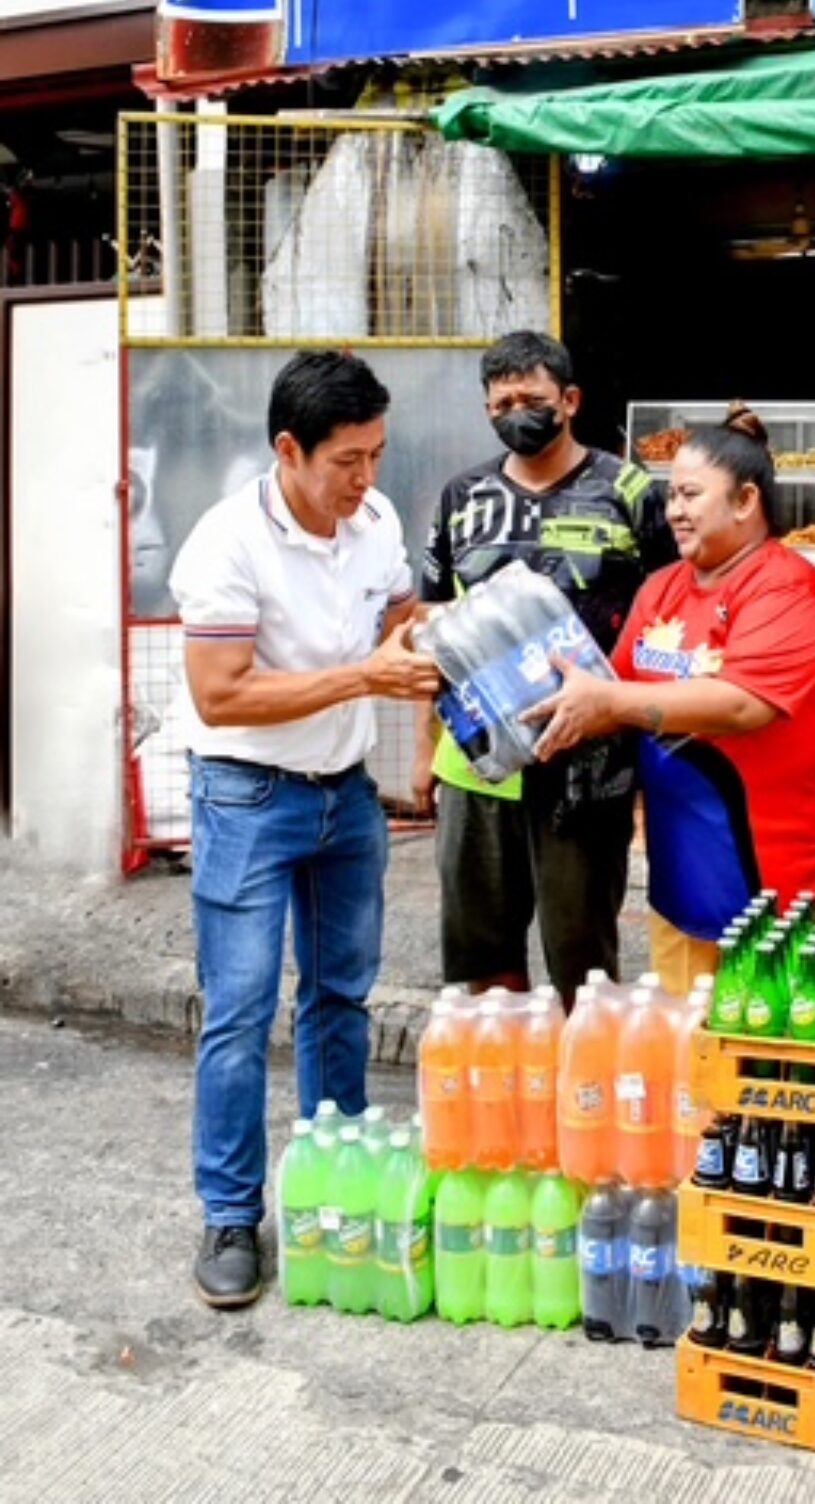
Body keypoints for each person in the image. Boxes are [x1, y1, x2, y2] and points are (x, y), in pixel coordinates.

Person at [169, 349, 440, 1309]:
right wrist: (368, 678)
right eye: (346, 461)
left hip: (344, 794)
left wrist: (429, 639)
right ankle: (232, 1214)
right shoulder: (224, 545)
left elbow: (399, 611)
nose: (367, 480)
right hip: (247, 795)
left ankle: (338, 1182)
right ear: (289, 450)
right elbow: (223, 692)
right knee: (240, 1010)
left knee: (339, 998)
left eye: (377, 455)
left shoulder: (373, 521)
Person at [526, 406, 815, 992]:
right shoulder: (663, 588)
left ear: (746, 500)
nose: (673, 510)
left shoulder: (786, 588)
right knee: (684, 1055)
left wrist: (608, 702)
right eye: (670, 494)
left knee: (770, 1065)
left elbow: (740, 706)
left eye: (690, 494)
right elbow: (609, 684)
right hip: (682, 882)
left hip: (779, 891)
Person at [413, 330, 672, 1007]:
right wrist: (423, 751)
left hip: (589, 762)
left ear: (570, 400)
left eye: (532, 399)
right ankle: (504, 1091)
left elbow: (670, 613)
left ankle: (580, 1097)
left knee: (581, 962)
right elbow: (432, 624)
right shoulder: (462, 497)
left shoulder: (630, 491)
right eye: (501, 403)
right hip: (476, 762)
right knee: (479, 961)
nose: (516, 412)